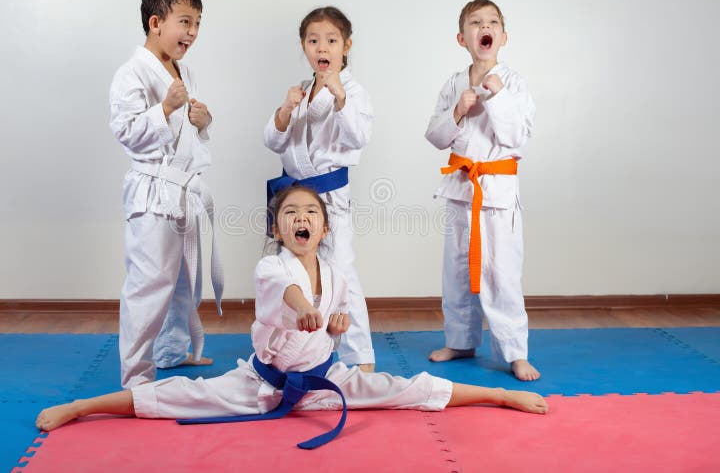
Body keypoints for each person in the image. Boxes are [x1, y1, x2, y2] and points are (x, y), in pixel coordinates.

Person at [36, 186, 548, 449]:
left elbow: (334, 315)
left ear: (324, 227)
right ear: (277, 229)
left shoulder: (337, 273)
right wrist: (304, 310)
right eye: (290, 214)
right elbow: (288, 295)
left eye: (310, 213)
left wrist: (337, 324)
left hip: (326, 381)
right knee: (177, 396)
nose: (301, 219)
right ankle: (85, 406)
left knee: (407, 389)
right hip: (263, 382)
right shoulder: (269, 266)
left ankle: (500, 394)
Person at [109, 0, 223, 389]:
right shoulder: (130, 74)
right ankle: (136, 375)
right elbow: (124, 131)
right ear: (156, 22)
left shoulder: (184, 69)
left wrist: (203, 122)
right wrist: (164, 109)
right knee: (149, 284)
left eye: (197, 23)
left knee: (181, 280)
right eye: (185, 22)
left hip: (182, 190)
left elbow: (188, 136)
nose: (192, 32)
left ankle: (171, 352)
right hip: (153, 192)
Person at [425, 0, 539, 381]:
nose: (483, 27)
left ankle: (514, 351)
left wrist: (498, 96)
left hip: (499, 195)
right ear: (463, 38)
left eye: (491, 22)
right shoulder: (454, 84)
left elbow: (516, 135)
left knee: (502, 274)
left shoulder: (515, 84)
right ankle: (459, 341)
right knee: (456, 272)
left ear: (502, 36)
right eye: (475, 22)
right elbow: (435, 136)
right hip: (460, 191)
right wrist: (458, 110)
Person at [263, 6, 375, 371]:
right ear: (304, 46)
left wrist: (340, 98)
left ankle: (361, 358)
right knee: (296, 274)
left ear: (346, 46)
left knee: (341, 272)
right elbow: (273, 141)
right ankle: (304, 353)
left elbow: (359, 136)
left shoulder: (353, 91)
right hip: (294, 199)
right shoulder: (301, 90)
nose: (321, 47)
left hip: (329, 199)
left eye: (330, 40)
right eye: (313, 40)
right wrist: (285, 109)